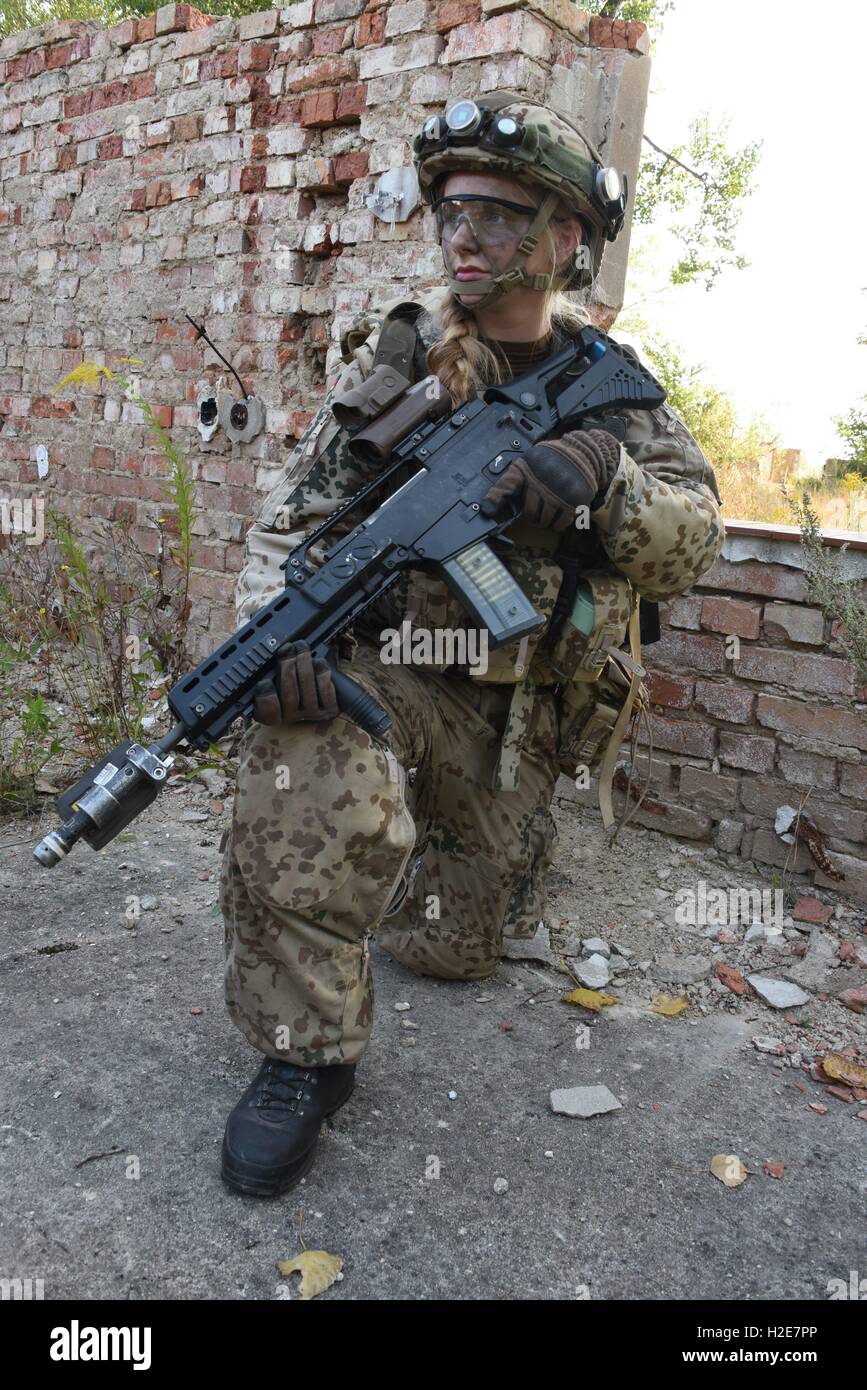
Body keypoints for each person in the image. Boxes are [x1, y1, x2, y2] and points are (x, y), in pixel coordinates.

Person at [217, 92, 725, 1197]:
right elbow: (286, 527)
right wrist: (266, 646)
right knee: (305, 759)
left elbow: (696, 544)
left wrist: (606, 487)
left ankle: (395, 871)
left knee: (450, 950)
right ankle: (304, 1055)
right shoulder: (403, 359)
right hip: (391, 685)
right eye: (453, 211)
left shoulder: (610, 389)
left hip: (514, 731)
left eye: (499, 215)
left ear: (563, 242)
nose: (465, 234)